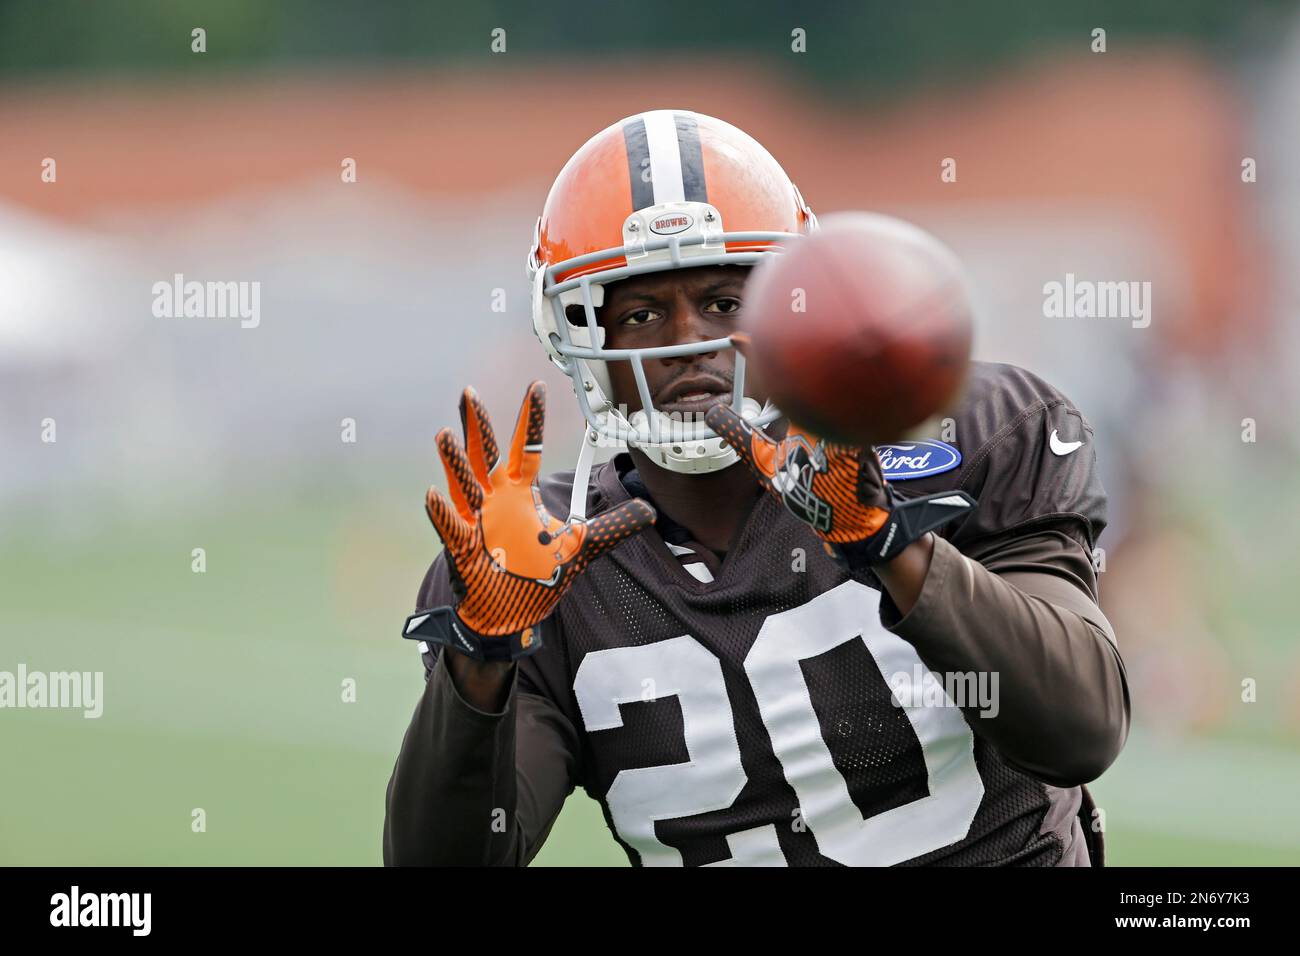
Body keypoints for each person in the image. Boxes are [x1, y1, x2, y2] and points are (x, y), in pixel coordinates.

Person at [383, 110, 1130, 867]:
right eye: (642, 313)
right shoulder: (546, 558)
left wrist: (890, 547)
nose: (688, 345)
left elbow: (1079, 728)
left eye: (725, 302)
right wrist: (481, 658)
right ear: (579, 338)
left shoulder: (963, 439)